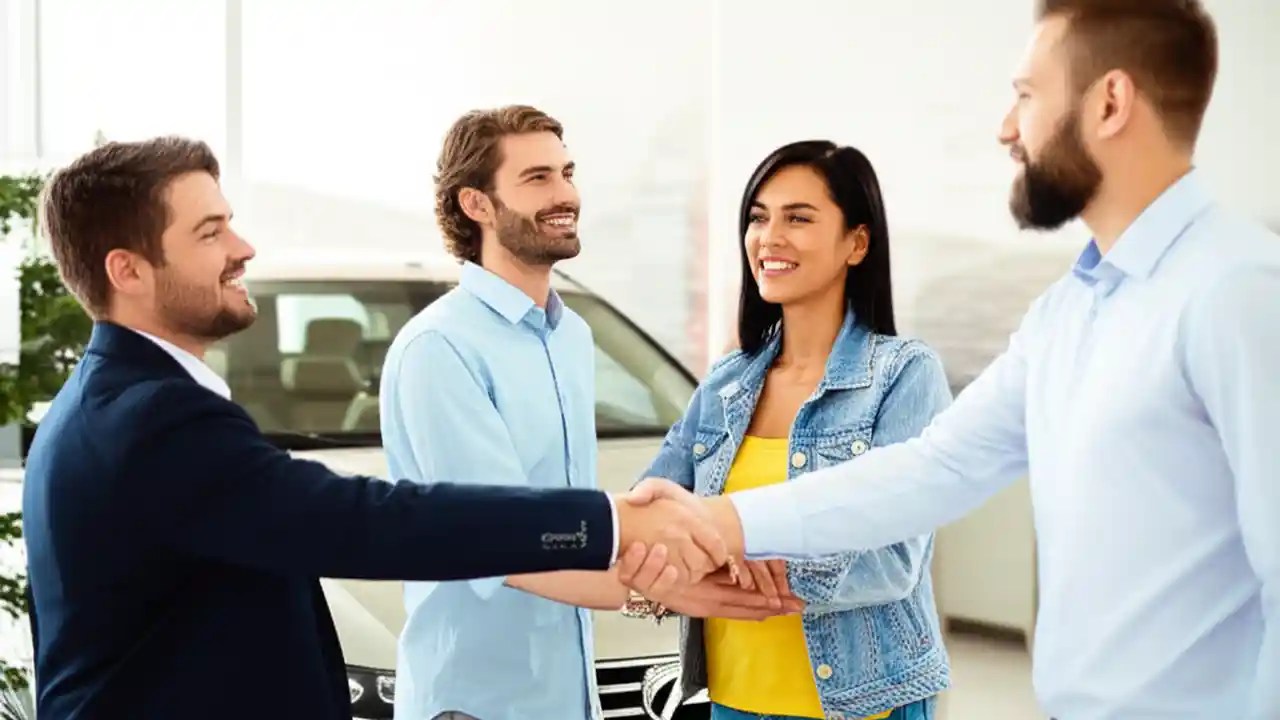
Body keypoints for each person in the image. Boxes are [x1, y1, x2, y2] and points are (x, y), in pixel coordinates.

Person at [633, 1, 1279, 717]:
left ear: (1110, 102)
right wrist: (724, 521)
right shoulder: (1070, 312)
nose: (1007, 128)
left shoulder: (1237, 293)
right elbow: (933, 469)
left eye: (1026, 96)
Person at [20, 136, 729, 720]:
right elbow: (368, 520)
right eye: (211, 232)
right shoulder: (152, 421)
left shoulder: (110, 403)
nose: (244, 247)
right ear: (128, 270)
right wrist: (610, 520)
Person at [380, 105, 781, 720]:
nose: (566, 193)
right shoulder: (440, 349)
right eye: (537, 178)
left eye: (568, 173)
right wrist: (672, 586)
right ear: (476, 205)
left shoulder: (570, 337)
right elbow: (500, 539)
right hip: (476, 702)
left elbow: (575, 513)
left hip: (567, 693)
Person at [626, 141, 951, 720]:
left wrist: (730, 551)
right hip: (734, 698)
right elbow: (652, 512)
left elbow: (893, 558)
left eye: (798, 218)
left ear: (857, 241)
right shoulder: (728, 380)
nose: (769, 237)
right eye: (758, 217)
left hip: (863, 702)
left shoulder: (904, 374)